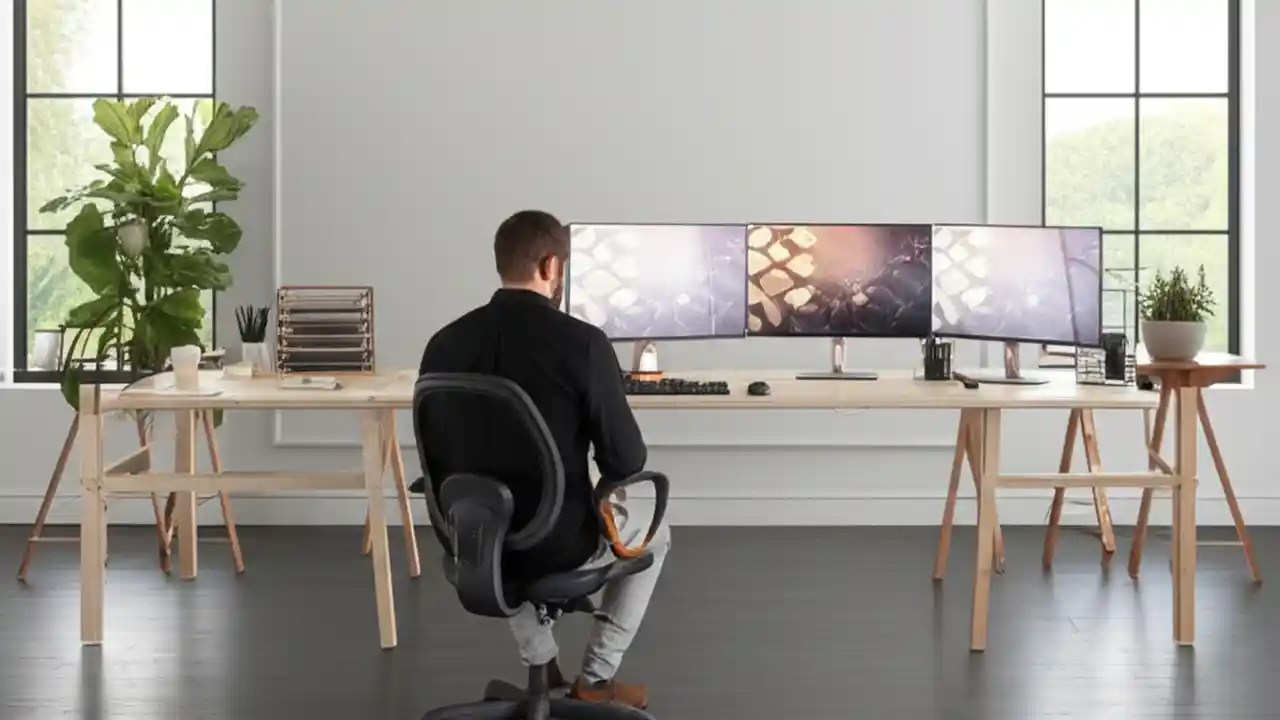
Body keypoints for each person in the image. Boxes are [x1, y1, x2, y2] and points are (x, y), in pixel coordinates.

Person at [418, 209, 671, 710]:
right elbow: (626, 460)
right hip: (559, 541)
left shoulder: (443, 343)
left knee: (496, 516)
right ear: (552, 265)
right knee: (658, 534)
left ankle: (542, 663)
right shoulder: (583, 344)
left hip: (468, 538)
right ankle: (594, 680)